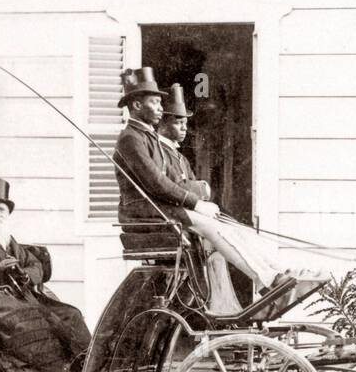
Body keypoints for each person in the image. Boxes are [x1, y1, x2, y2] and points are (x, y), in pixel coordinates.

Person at [112, 66, 328, 293]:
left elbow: (166, 183)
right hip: (145, 212)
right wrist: (197, 203)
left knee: (234, 228)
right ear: (137, 105)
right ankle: (267, 281)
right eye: (155, 103)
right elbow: (156, 183)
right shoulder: (131, 139)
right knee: (214, 227)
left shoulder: (147, 137)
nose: (160, 108)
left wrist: (197, 202)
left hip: (160, 208)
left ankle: (277, 272)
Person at [0, 178, 92, 372]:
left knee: (71, 315)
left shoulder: (7, 239)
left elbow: (35, 265)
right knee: (35, 324)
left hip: (24, 296)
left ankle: (87, 366)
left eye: (1, 210)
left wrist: (25, 275)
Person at [156, 84, 241, 315]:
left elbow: (189, 187)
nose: (184, 128)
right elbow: (173, 188)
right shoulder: (160, 153)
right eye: (178, 122)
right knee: (218, 239)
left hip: (190, 216)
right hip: (178, 220)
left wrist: (196, 189)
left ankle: (223, 307)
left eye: (185, 123)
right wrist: (201, 188)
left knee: (221, 245)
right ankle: (220, 307)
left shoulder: (180, 157)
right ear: (163, 124)